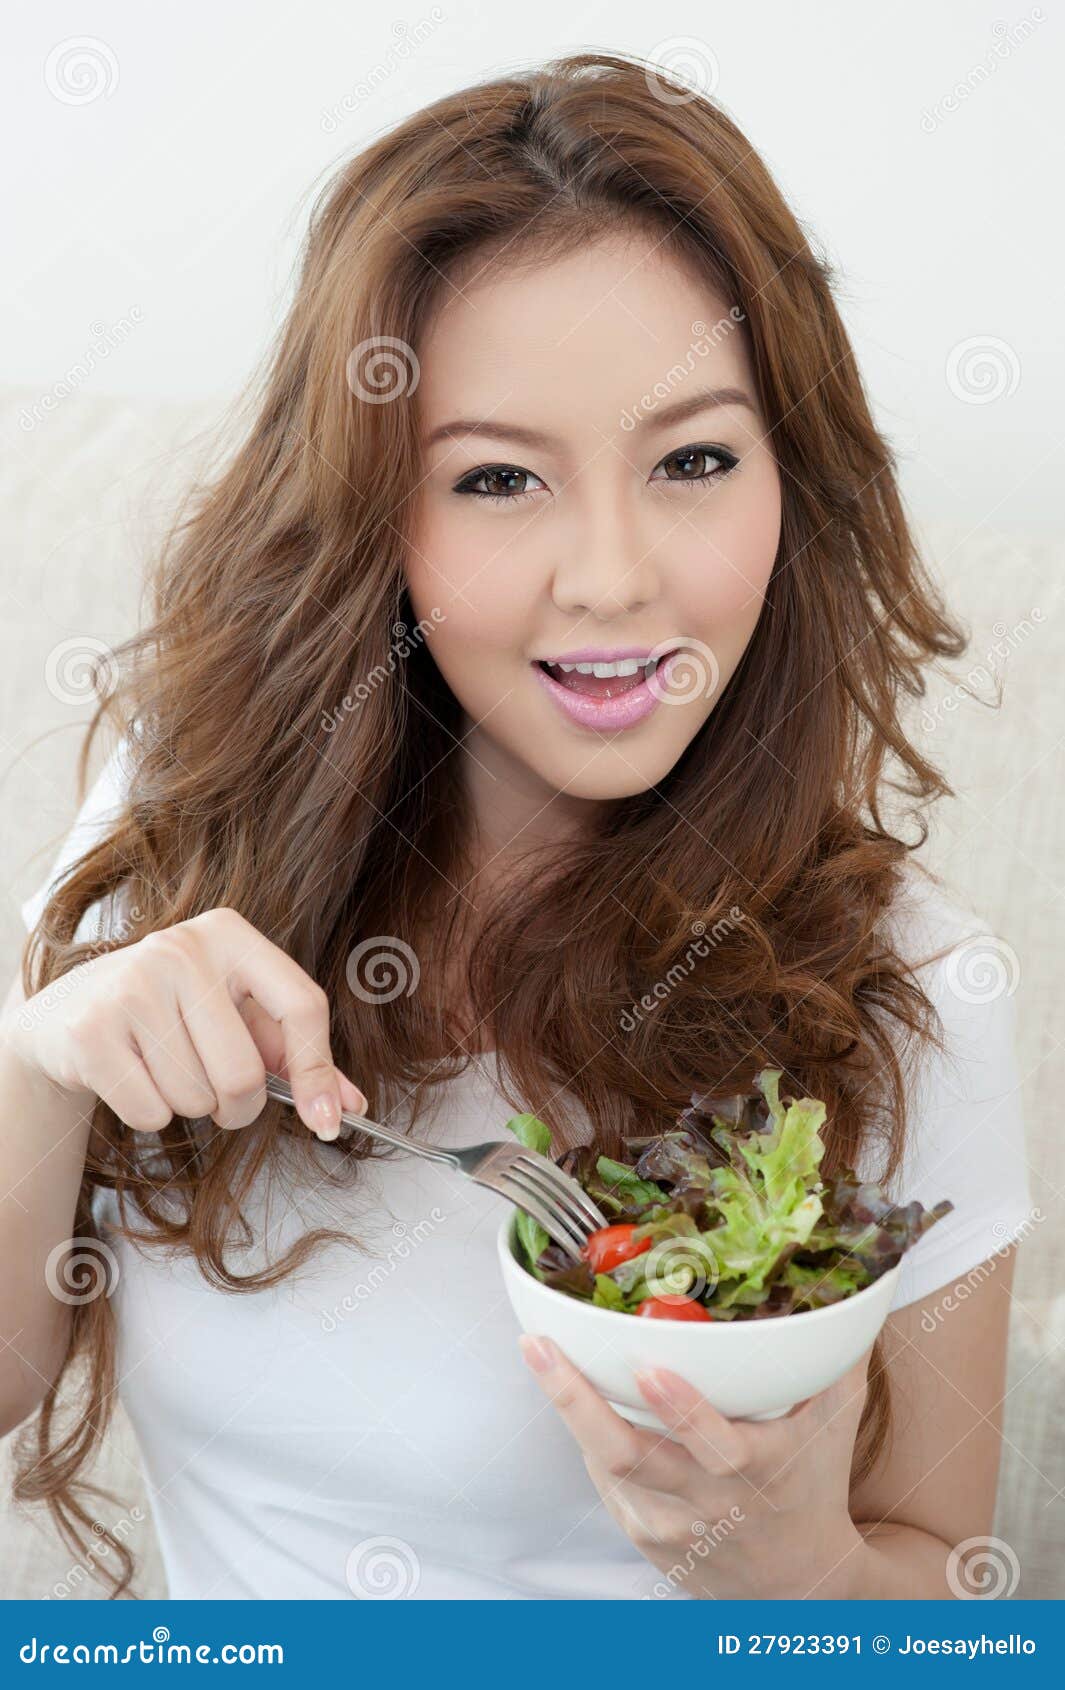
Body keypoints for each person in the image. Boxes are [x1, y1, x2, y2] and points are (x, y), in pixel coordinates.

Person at [1, 50, 1031, 1601]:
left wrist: (797, 1563)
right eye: (496, 478)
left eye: (691, 459)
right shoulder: (183, 811)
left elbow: (955, 1601)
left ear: (791, 484)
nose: (611, 576)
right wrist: (36, 1061)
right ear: (368, 510)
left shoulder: (913, 990)